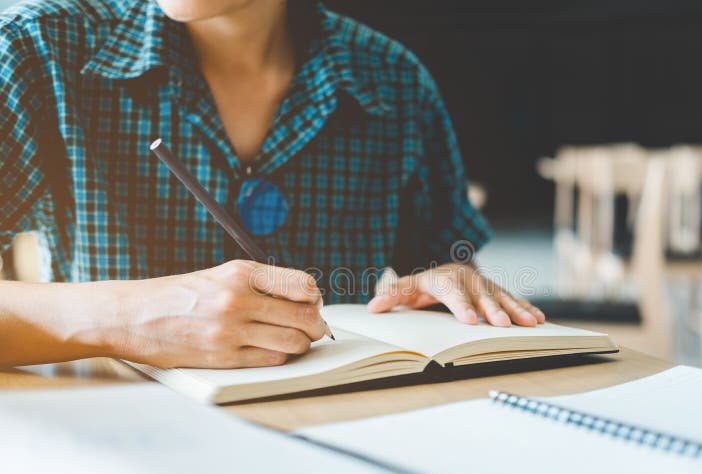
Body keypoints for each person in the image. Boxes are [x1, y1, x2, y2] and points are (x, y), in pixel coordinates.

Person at [0, 0, 544, 369]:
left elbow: (442, 276)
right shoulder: (39, 51)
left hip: (343, 445)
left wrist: (449, 286)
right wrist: (129, 316)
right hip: (121, 454)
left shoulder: (394, 80)